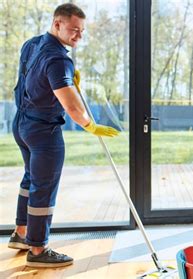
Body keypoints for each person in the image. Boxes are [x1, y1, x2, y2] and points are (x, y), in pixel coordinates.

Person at [9, 3, 119, 267]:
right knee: (43, 189)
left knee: (30, 179)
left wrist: (67, 79)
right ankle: (38, 250)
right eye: (74, 29)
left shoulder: (31, 44)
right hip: (44, 132)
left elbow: (34, 80)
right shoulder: (59, 59)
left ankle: (21, 234)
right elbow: (71, 106)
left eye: (81, 31)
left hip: (22, 124)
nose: (79, 35)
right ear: (57, 24)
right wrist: (90, 125)